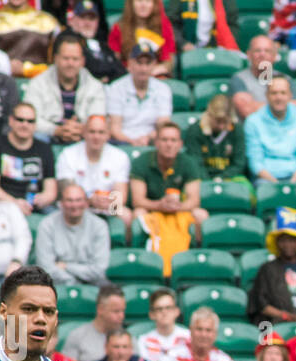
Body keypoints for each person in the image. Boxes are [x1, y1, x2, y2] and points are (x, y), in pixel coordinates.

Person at [130, 121, 205, 270]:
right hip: (152, 209)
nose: (169, 144)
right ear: (156, 142)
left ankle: (195, 261)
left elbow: (194, 200)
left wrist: (178, 206)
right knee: (137, 213)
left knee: (201, 214)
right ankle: (140, 260)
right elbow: (137, 201)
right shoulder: (142, 162)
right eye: (164, 140)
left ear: (180, 144)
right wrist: (159, 205)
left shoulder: (188, 162)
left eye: (173, 140)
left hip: (178, 211)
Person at [247, 207, 296, 325]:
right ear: (277, 243)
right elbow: (261, 305)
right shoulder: (267, 269)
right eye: (283, 240)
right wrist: (286, 316)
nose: (288, 245)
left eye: (292, 240)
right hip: (277, 324)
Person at [29, 32, 108, 145]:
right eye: (66, 58)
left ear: (82, 61)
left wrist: (81, 129)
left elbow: (98, 119)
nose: (70, 63)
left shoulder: (95, 86)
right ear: (55, 58)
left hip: (83, 139)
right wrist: (57, 130)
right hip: (48, 138)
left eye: (75, 59)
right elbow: (31, 119)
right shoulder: (37, 83)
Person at [56, 114, 132, 229]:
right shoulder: (68, 154)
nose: (96, 137)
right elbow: (66, 191)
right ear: (84, 133)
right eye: (92, 132)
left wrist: (108, 203)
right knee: (70, 206)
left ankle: (122, 247)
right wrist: (89, 200)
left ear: (108, 135)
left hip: (107, 207)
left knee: (126, 215)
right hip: (78, 205)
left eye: (101, 132)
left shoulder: (120, 156)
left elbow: (120, 197)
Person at [0, 103, 56, 215]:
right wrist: (14, 203)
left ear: (35, 125)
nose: (25, 125)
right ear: (11, 121)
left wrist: (44, 198)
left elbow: (51, 189)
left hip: (36, 206)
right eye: (20, 120)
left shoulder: (44, 148)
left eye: (30, 121)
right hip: (3, 203)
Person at [35, 182, 112, 286]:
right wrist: (72, 283)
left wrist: (66, 266)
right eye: (69, 200)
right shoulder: (47, 225)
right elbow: (46, 267)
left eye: (78, 200)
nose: (74, 205)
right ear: (61, 203)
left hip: (93, 283)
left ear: (86, 203)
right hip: (56, 283)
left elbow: (98, 270)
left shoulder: (99, 226)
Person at [244, 75, 296, 183]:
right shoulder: (253, 121)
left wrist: (291, 184)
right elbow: (255, 161)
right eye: (274, 93)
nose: (279, 97)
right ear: (267, 95)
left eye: (283, 93)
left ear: (290, 95)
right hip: (265, 179)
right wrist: (276, 186)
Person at [106, 42, 171, 148]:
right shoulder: (116, 88)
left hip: (152, 141)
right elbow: (115, 128)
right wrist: (132, 142)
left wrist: (147, 138)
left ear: (154, 64)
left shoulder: (163, 89)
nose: (143, 68)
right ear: (130, 64)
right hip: (122, 142)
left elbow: (163, 124)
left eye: (148, 63)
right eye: (139, 63)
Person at [183, 93, 246, 182]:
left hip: (229, 177)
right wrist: (210, 183)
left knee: (245, 185)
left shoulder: (236, 129)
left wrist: (221, 178)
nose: (221, 126)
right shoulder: (195, 130)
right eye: (218, 121)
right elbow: (195, 163)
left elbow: (239, 163)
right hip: (202, 177)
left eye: (225, 122)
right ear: (209, 115)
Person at [63, 283, 127, 361]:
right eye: (116, 311)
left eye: (123, 311)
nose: (122, 316)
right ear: (100, 309)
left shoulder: (127, 339)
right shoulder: (78, 336)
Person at [109, 0, 177, 77]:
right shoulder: (118, 28)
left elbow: (169, 62)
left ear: (154, 4)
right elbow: (114, 60)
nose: (143, 5)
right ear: (131, 3)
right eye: (139, 1)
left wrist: (149, 72)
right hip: (127, 76)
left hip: (156, 76)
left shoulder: (164, 26)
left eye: (148, 1)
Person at [67, 0, 125, 84]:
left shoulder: (103, 45)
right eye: (83, 17)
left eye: (91, 18)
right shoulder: (69, 41)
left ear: (97, 22)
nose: (87, 23)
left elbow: (121, 72)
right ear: (73, 20)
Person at [136, 286, 189, 361]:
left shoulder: (188, 337)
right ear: (151, 314)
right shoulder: (144, 341)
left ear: (177, 311)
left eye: (168, 308)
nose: (164, 312)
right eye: (159, 309)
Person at [228, 34, 278, 120]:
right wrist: (280, 107)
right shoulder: (239, 79)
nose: (262, 54)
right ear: (248, 55)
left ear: (274, 56)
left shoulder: (285, 79)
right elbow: (248, 111)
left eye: (267, 51)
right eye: (257, 50)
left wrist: (257, 105)